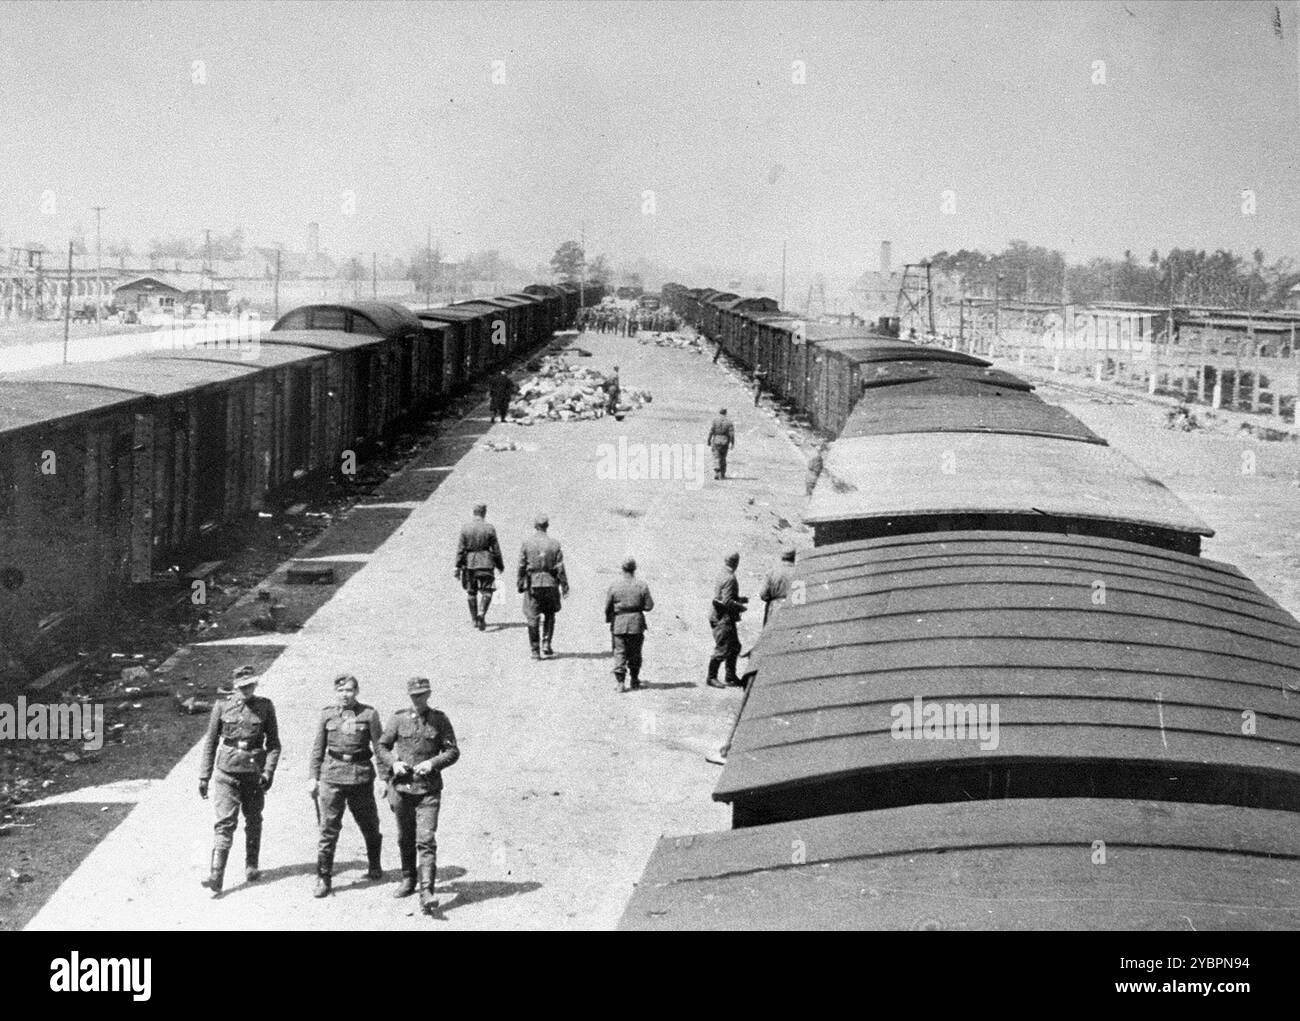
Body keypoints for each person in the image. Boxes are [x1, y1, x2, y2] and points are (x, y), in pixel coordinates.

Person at [198, 665, 281, 897]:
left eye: (251, 685)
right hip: (226, 771)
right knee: (224, 822)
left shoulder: (265, 706)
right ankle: (216, 875)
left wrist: (268, 772)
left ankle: (251, 864)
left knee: (253, 818)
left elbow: (274, 745)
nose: (247, 690)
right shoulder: (222, 706)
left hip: (254, 774)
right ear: (235, 686)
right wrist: (204, 775)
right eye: (243, 686)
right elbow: (211, 742)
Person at [379, 677, 459, 912]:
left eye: (422, 694)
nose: (418, 698)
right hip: (402, 788)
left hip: (428, 789)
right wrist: (393, 764)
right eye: (414, 695)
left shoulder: (439, 720)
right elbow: (382, 746)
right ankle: (408, 878)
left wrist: (433, 763)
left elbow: (452, 751)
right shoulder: (398, 718)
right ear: (409, 696)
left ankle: (427, 891)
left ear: (429, 694)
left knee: (425, 840)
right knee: (405, 836)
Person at [307, 674, 386, 897]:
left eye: (349, 690)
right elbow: (317, 748)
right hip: (332, 777)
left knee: (369, 824)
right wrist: (312, 777)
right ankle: (323, 878)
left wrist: (383, 778)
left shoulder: (368, 714)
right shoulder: (326, 715)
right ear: (335, 693)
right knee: (328, 829)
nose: (345, 695)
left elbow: (380, 749)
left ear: (357, 692)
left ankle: (374, 864)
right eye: (341, 691)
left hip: (360, 776)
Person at [518, 514, 569, 659]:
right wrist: (564, 586)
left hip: (533, 583)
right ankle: (546, 644)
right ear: (547, 526)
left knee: (532, 616)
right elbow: (560, 567)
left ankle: (535, 651)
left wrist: (520, 582)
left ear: (535, 526)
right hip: (551, 583)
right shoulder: (555, 544)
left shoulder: (527, 543)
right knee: (550, 613)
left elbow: (522, 565)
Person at [604, 557, 654, 692]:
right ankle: (634, 679)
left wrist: (611, 620)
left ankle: (620, 683)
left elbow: (608, 607)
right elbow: (649, 606)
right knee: (635, 653)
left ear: (622, 569)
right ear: (634, 569)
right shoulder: (642, 585)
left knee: (619, 652)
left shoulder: (615, 586)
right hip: (636, 624)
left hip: (619, 623)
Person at [456, 503, 504, 630]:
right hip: (486, 563)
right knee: (487, 591)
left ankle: (474, 619)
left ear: (474, 513)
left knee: (471, 592)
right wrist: (500, 565)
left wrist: (457, 566)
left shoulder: (465, 528)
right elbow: (496, 549)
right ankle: (481, 614)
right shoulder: (489, 528)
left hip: (470, 564)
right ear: (484, 513)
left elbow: (460, 549)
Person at [706, 552, 748, 688]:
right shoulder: (730, 578)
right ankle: (711, 677)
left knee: (735, 646)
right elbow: (727, 601)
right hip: (723, 618)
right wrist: (740, 607)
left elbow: (723, 596)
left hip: (721, 616)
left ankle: (730, 676)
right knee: (723, 648)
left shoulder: (722, 573)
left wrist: (739, 599)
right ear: (736, 562)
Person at [759, 548, 797, 626]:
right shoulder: (799, 572)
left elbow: (763, 595)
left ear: (782, 557)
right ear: (793, 557)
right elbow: (802, 598)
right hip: (792, 610)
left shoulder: (772, 572)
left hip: (775, 609)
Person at [706, 408, 735, 480]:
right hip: (725, 441)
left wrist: (708, 440)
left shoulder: (715, 421)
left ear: (719, 413)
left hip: (716, 440)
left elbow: (711, 431)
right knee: (723, 457)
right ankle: (722, 473)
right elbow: (731, 434)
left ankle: (717, 469)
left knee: (716, 456)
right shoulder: (729, 422)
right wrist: (732, 443)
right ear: (726, 413)